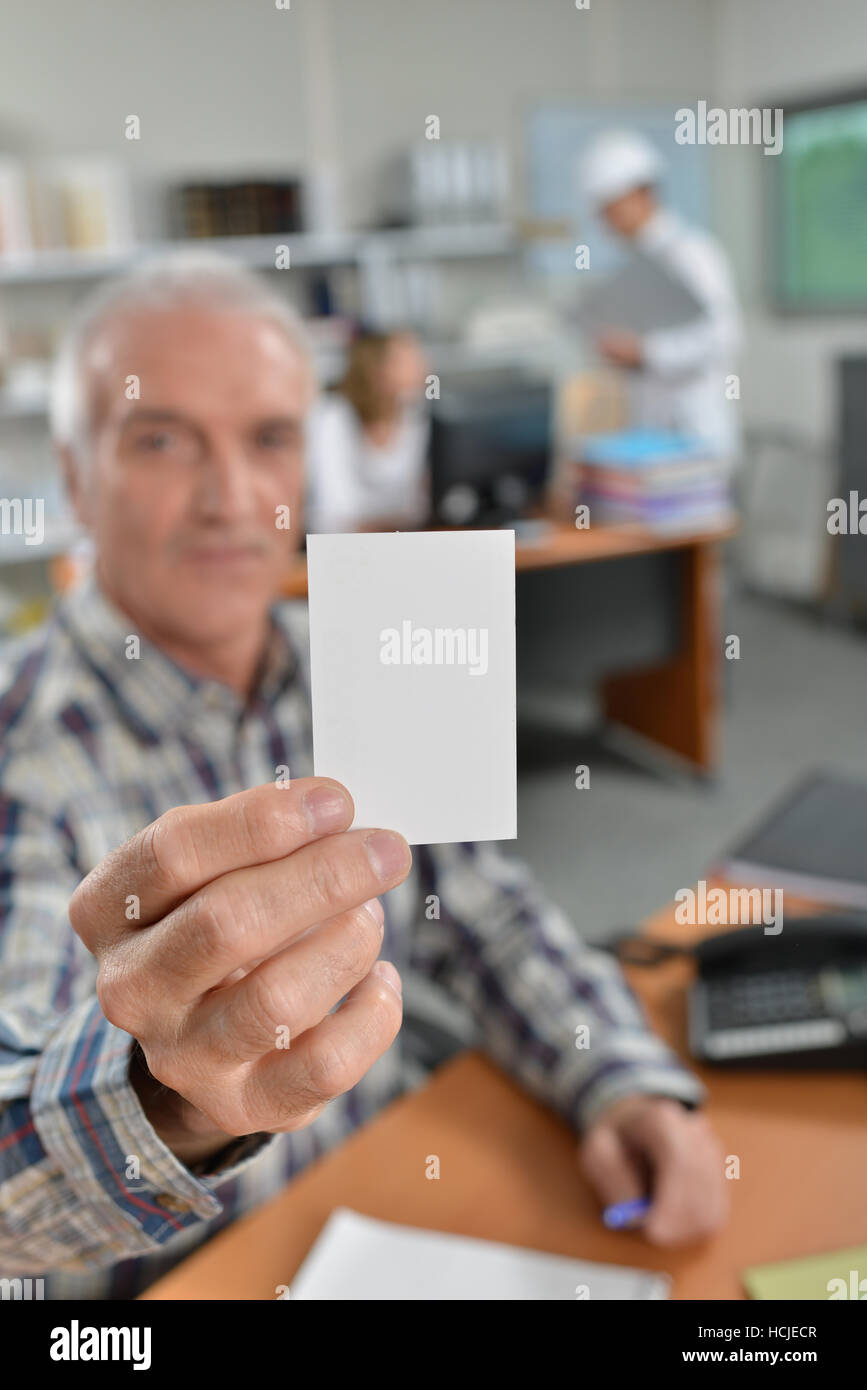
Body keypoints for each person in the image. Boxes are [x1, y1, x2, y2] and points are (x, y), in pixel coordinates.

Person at [0, 252, 727, 1299]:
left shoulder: (358, 659)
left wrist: (621, 1077)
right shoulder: (28, 747)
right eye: (160, 439)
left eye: (270, 439)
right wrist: (169, 1101)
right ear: (73, 474)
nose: (231, 497)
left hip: (378, 1216)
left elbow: (482, 907)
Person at [579, 129, 742, 467]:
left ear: (642, 193)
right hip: (652, 440)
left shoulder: (693, 253)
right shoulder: (634, 264)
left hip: (698, 437)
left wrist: (645, 351)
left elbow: (725, 336)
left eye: (611, 208)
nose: (606, 222)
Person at [305, 328, 431, 532]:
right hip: (345, 547)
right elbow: (330, 516)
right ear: (377, 369)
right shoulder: (332, 417)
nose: (423, 368)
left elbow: (419, 507)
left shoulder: (417, 416)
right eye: (408, 360)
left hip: (403, 539)